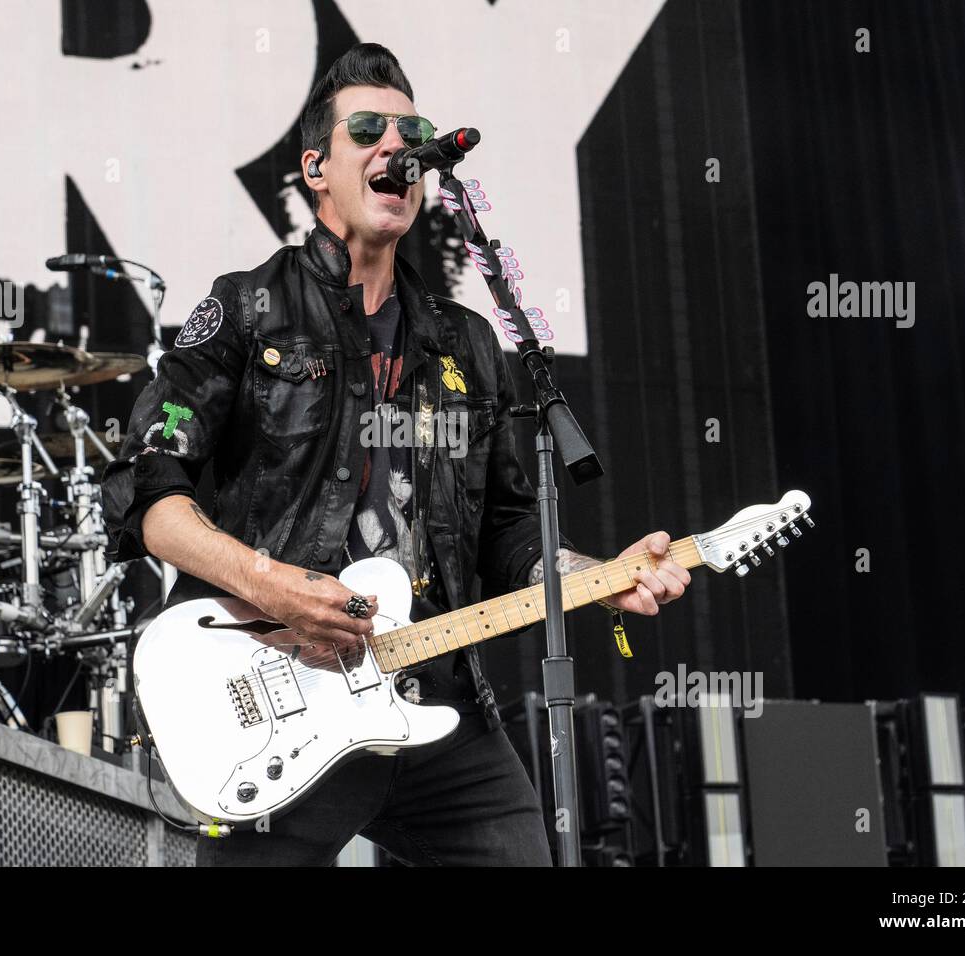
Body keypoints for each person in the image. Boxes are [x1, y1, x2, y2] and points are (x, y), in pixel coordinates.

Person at [102, 43, 691, 866]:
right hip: (282, 688)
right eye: (369, 130)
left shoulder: (468, 342)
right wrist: (272, 583)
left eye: (410, 131)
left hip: (435, 698)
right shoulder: (248, 308)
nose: (397, 147)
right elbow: (145, 489)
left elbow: (508, 534)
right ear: (317, 168)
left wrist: (600, 578)